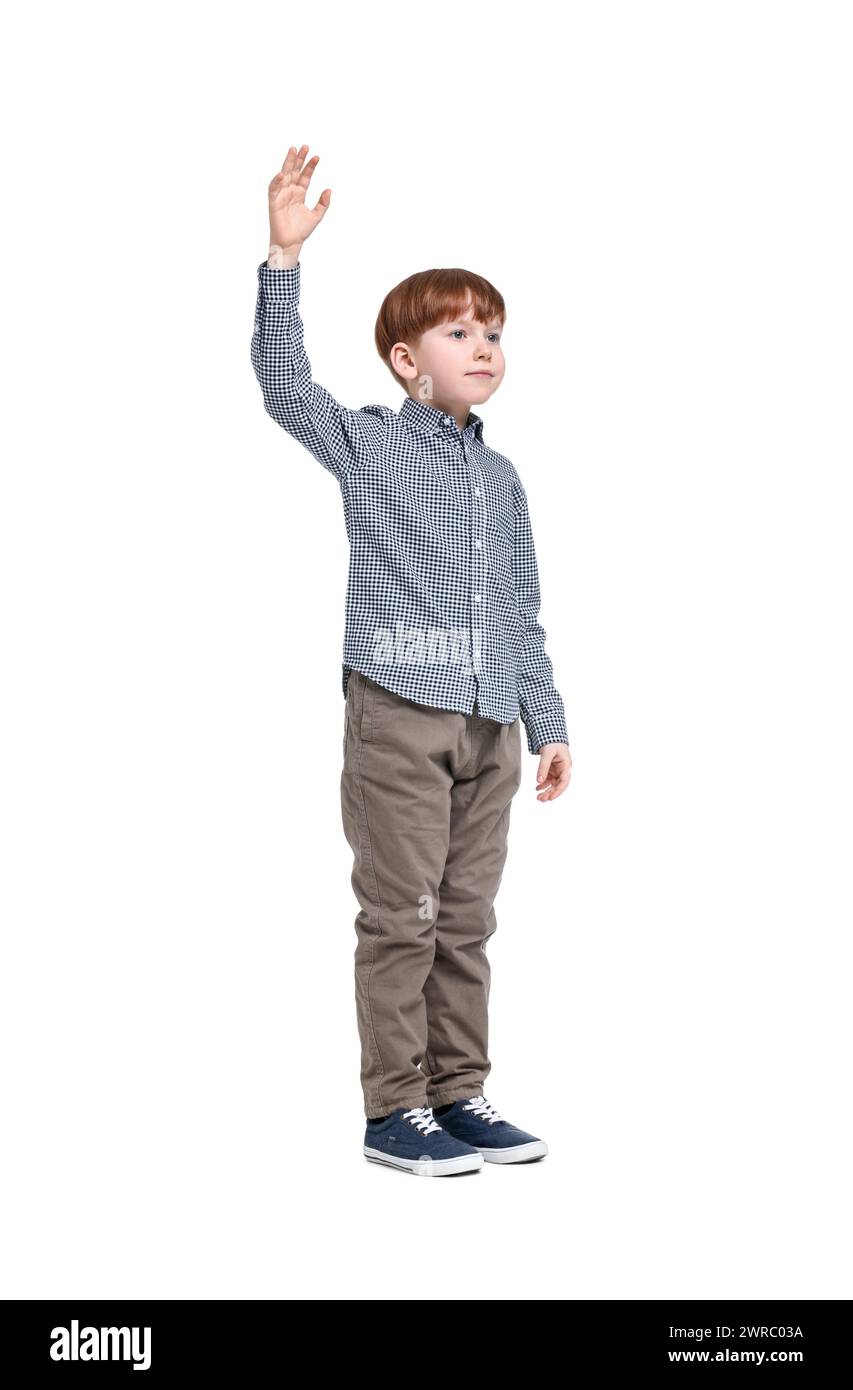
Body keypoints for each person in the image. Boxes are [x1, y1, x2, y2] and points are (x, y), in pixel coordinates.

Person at [250, 145, 572, 1176]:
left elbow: (522, 608)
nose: (483, 345)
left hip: (488, 725)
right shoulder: (367, 444)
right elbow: (282, 384)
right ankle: (394, 1109)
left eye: (493, 331)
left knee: (468, 918)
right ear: (404, 359)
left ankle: (456, 1089)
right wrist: (281, 259)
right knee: (404, 914)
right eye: (458, 330)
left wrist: (547, 720)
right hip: (397, 709)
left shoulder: (504, 478)